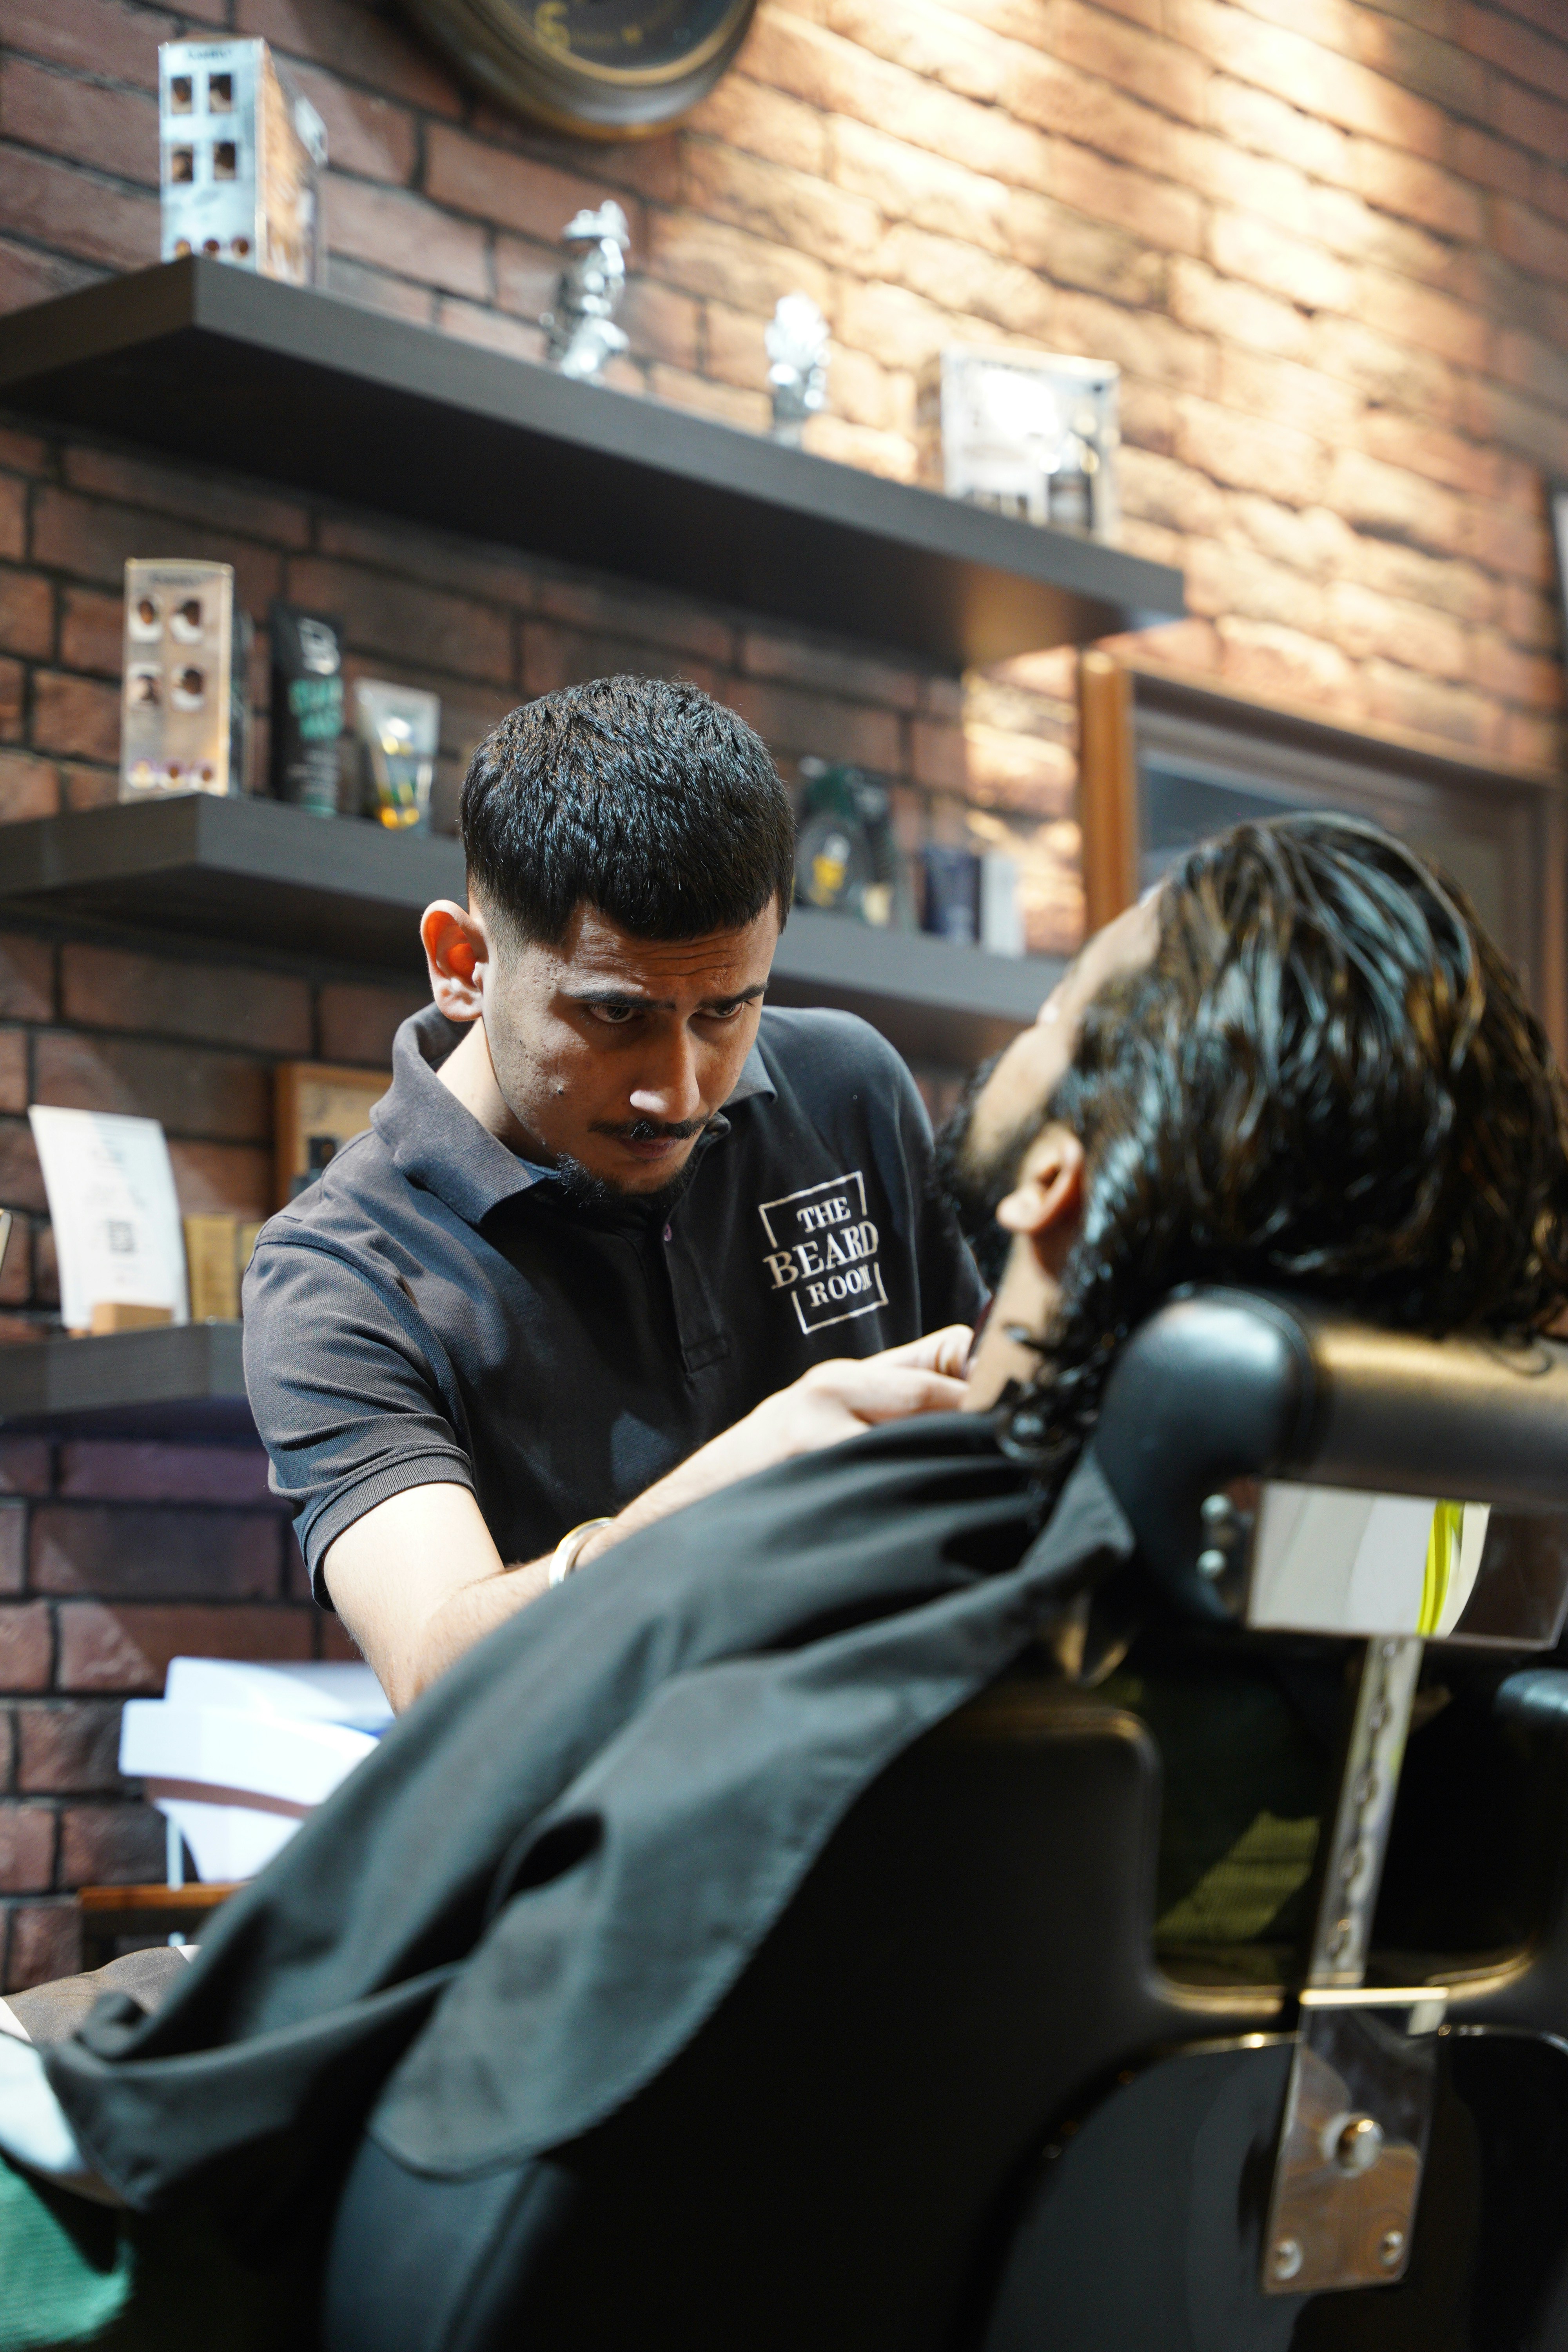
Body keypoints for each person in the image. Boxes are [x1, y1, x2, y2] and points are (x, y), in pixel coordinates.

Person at [11, 815, 1568, 2279]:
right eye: (620, 1017)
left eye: (1055, 1002)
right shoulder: (1429, 1666)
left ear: (1049, 1180)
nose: (678, 1088)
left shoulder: (828, 1587)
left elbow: (296, 2019)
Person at [243, 676, 982, 1709]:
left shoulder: (845, 1087)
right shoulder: (340, 1278)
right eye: (616, 1015)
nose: (677, 1092)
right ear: (462, 965)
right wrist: (714, 1508)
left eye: (727, 1010)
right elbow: (436, 1675)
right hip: (605, 1859)